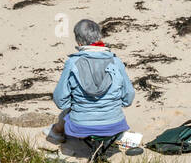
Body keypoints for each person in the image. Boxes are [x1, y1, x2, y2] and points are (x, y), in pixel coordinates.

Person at [46, 18, 135, 146]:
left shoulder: (72, 63)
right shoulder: (116, 62)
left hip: (80, 127)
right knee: (113, 109)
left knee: (68, 111)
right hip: (115, 125)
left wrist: (76, 105)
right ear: (99, 36)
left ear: (78, 40)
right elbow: (129, 97)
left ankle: (56, 133)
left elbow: (60, 99)